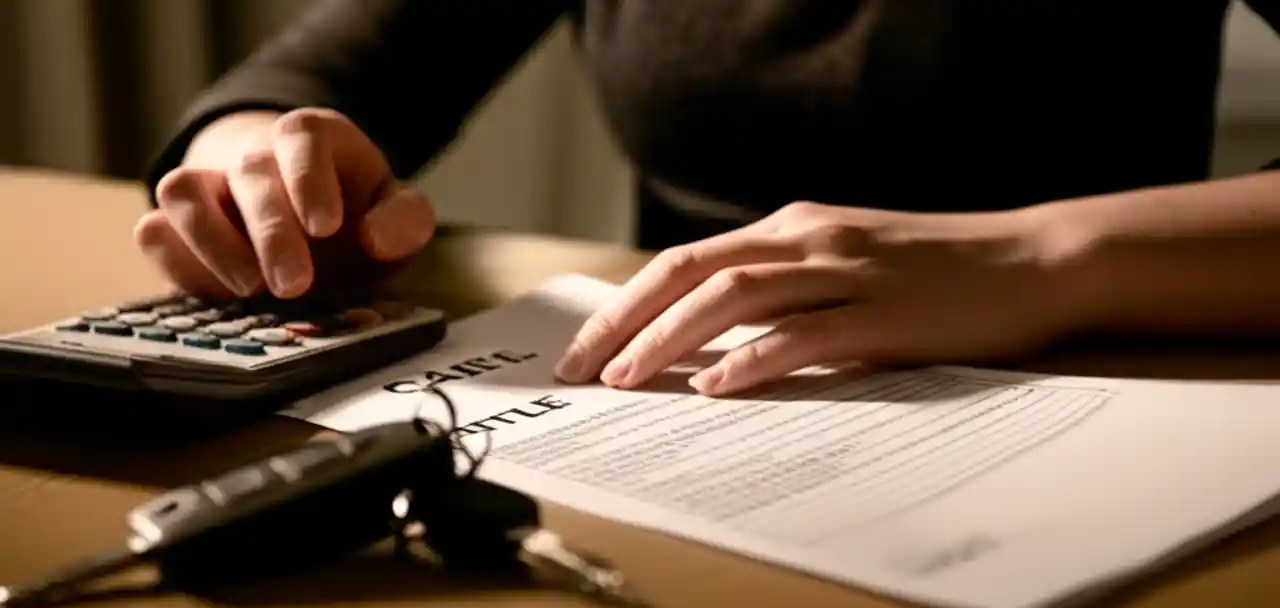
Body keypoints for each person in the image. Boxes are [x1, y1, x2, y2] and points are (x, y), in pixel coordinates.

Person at [137, 1, 1280, 397]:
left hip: (1128, 375)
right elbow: (320, 75)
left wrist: (1040, 257)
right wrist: (262, 169)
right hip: (681, 423)